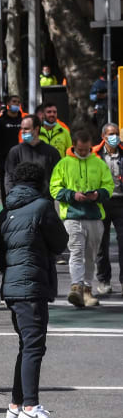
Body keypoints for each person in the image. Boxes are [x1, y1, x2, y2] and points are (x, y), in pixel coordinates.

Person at [0, 161, 68, 418]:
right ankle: (30, 407)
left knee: (27, 345)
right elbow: (61, 242)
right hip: (33, 285)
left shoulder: (6, 211)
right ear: (40, 182)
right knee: (34, 346)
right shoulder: (42, 207)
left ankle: (16, 405)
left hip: (13, 286)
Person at [49, 127, 114, 308]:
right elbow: (54, 188)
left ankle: (87, 289)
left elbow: (109, 186)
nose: (84, 152)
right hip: (72, 216)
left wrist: (97, 194)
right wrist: (72, 195)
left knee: (91, 255)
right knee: (77, 252)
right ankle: (76, 286)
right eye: (80, 150)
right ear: (74, 146)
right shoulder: (64, 164)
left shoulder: (99, 163)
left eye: (87, 149)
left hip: (94, 216)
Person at [95, 123, 123, 296]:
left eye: (116, 134)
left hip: (121, 202)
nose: (114, 137)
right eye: (111, 134)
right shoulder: (95, 155)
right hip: (102, 202)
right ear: (103, 136)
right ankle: (103, 280)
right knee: (101, 244)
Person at [3, 115, 61, 196]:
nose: (22, 131)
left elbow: (58, 177)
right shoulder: (15, 151)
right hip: (21, 200)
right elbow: (9, 177)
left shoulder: (52, 152)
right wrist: (12, 195)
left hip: (44, 200)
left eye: (26, 129)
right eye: (21, 128)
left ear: (36, 129)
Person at [0, 95, 25, 201]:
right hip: (5, 162)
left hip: (22, 162)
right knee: (7, 189)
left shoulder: (23, 121)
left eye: (18, 102)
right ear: (8, 104)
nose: (16, 104)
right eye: (14, 101)